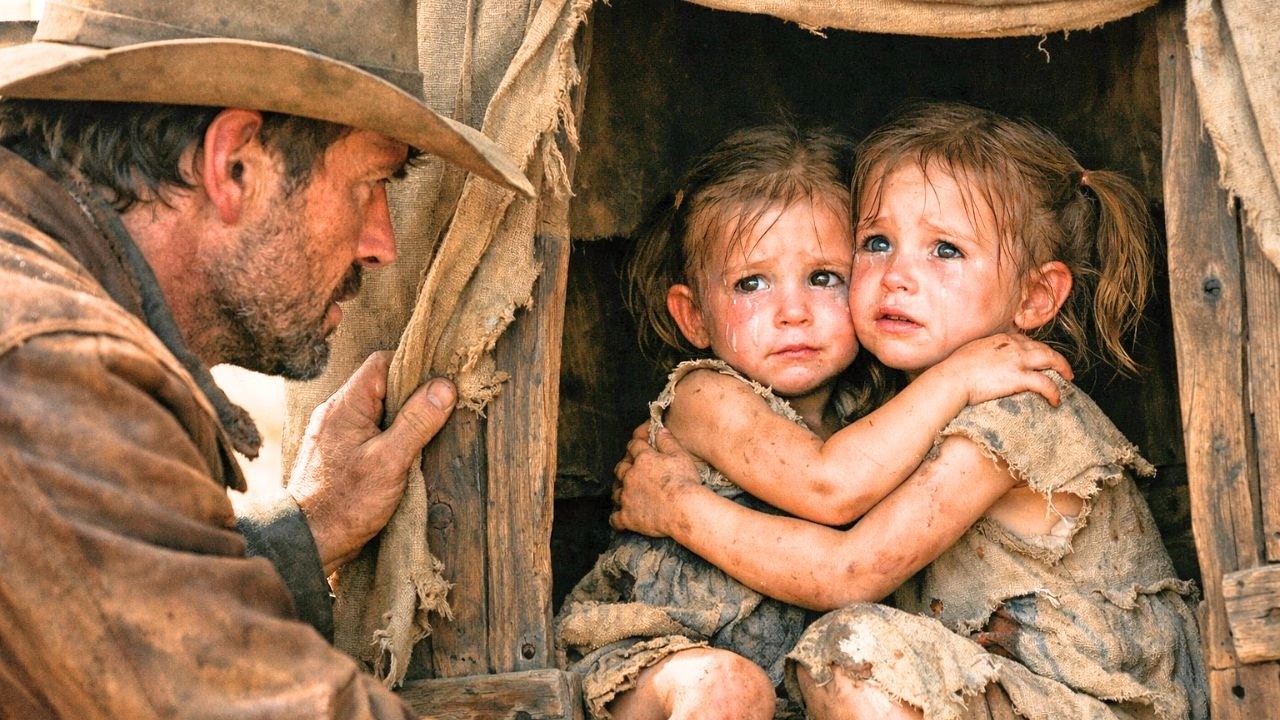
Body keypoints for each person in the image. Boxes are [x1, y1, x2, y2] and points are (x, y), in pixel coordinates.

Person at [0, 1, 532, 718]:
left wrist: (315, 528)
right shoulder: (51, 367)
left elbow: (105, 595)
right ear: (236, 164)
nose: (382, 243)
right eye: (368, 184)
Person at [612, 102, 1209, 720]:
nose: (896, 275)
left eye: (945, 250)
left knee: (851, 651)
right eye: (876, 243)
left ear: (1035, 295)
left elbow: (848, 566)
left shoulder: (1023, 410)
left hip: (1092, 700)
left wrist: (676, 507)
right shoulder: (892, 414)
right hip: (999, 690)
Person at [556, 123, 1071, 720]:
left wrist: (673, 506)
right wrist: (957, 376)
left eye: (824, 278)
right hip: (659, 662)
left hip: (789, 682)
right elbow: (827, 485)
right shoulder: (705, 395)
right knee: (726, 688)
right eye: (751, 283)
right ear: (693, 316)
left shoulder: (876, 414)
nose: (793, 313)